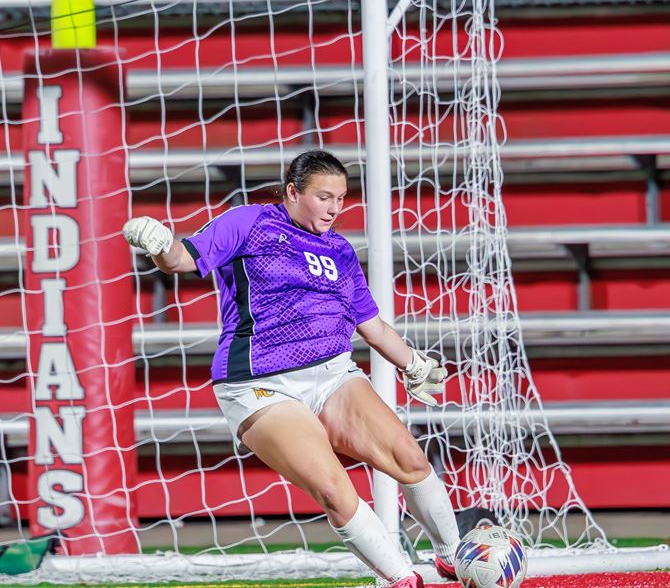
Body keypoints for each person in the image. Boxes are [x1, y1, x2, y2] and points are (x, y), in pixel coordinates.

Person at [123, 150, 463, 588]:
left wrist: (414, 364)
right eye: (324, 197)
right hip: (260, 384)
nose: (335, 208)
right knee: (333, 489)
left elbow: (372, 325)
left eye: (341, 198)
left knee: (410, 460)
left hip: (334, 374)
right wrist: (159, 245)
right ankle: (401, 580)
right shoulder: (249, 223)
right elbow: (182, 260)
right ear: (292, 192)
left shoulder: (340, 251)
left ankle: (454, 557)